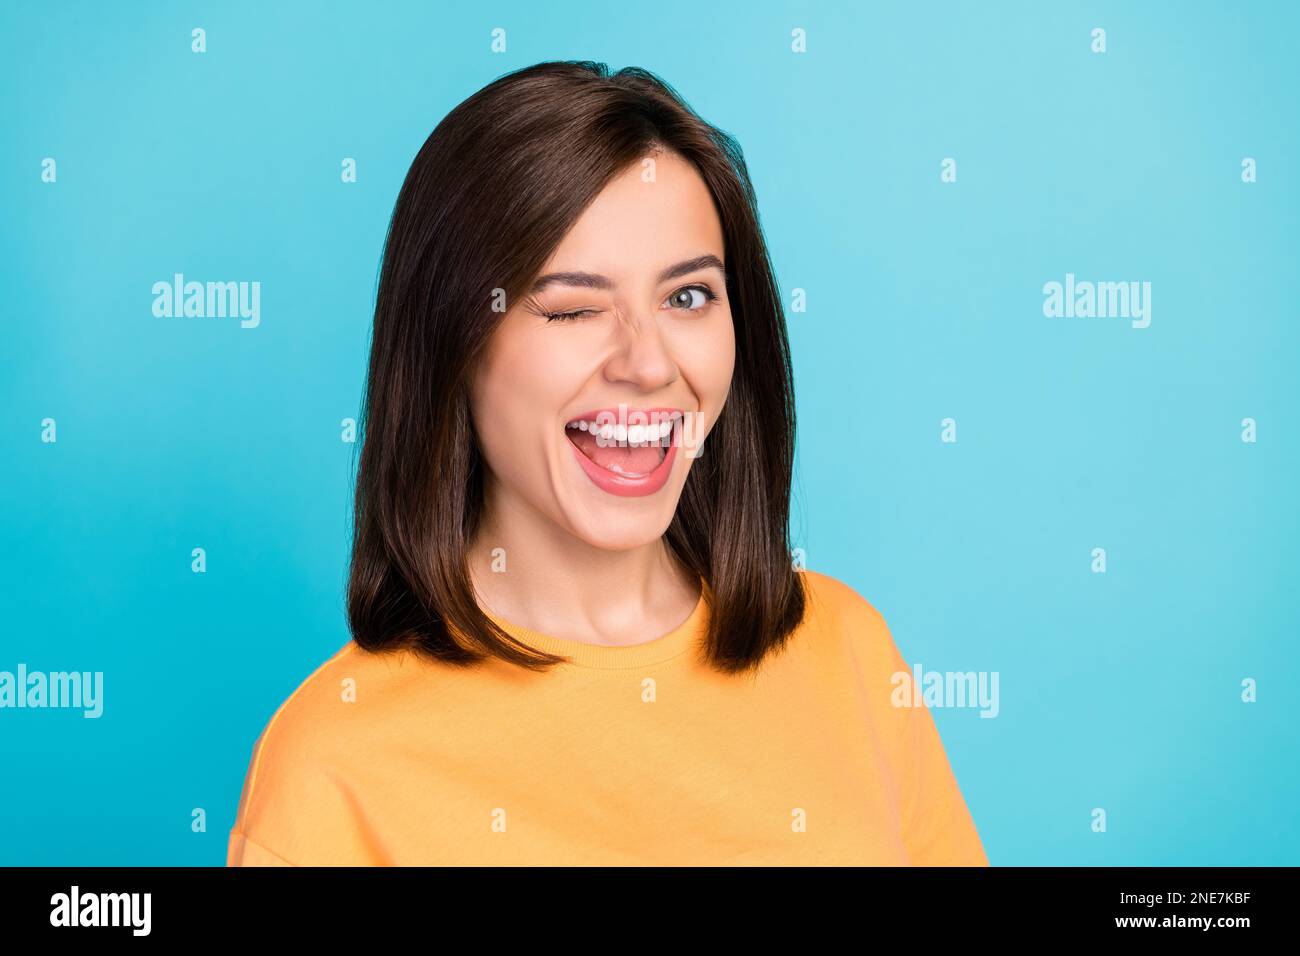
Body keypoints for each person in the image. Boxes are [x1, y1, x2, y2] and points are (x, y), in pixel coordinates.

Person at [227, 60, 988, 866]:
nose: (647, 363)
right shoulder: (332, 769)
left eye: (687, 296)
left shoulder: (852, 656)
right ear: (454, 341)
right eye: (572, 307)